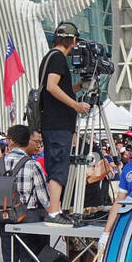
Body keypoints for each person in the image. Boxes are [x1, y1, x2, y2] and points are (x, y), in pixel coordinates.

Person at [40, 21, 91, 224]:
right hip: (58, 123)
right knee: (59, 166)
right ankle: (54, 211)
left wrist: (79, 86)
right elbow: (52, 87)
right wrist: (76, 106)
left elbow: (59, 89)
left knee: (58, 164)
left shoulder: (51, 57)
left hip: (54, 122)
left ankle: (56, 208)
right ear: (73, 40)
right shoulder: (58, 58)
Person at [0, 125, 48, 262]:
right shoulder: (32, 164)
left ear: (11, 140)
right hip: (28, 216)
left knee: (9, 260)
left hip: (4, 215)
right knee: (28, 260)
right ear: (27, 141)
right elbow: (44, 197)